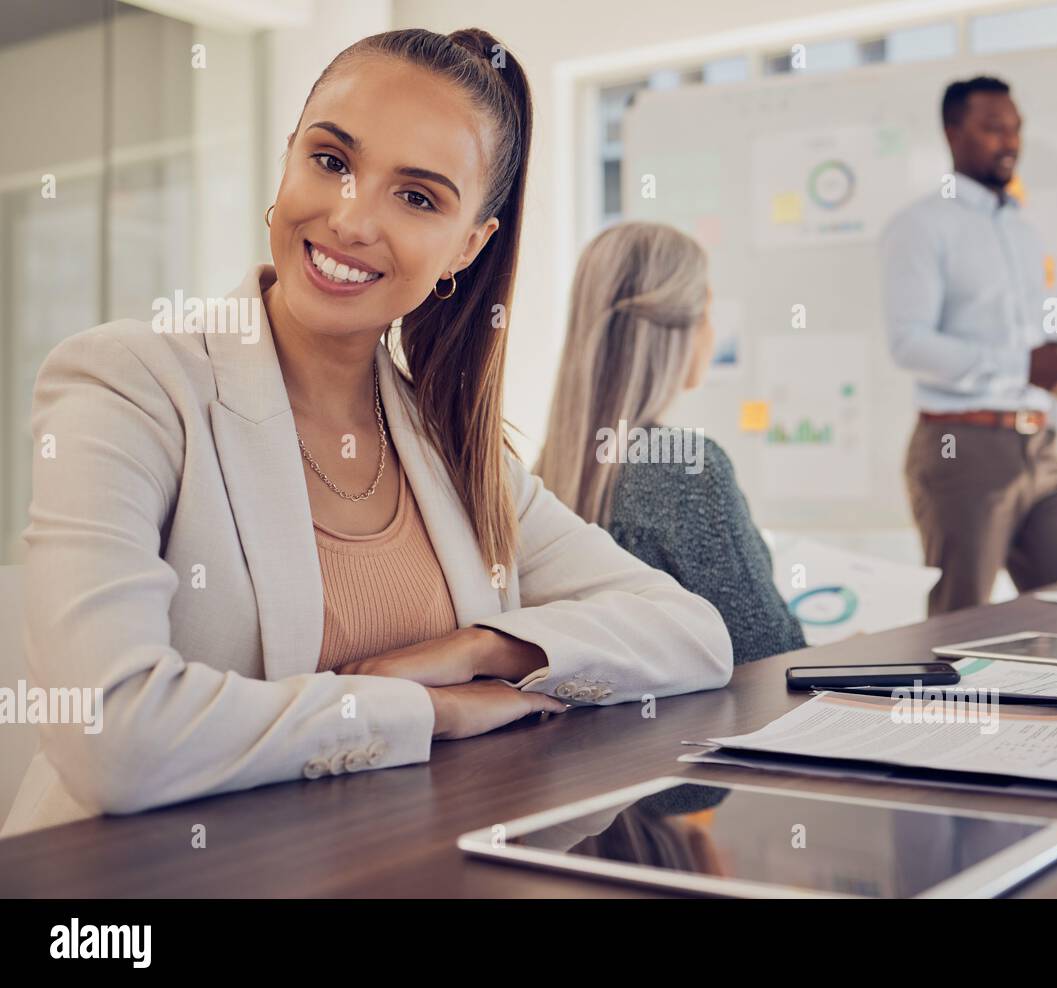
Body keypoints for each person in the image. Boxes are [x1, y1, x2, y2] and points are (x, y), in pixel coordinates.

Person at [2, 29, 732, 838]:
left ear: (468, 246)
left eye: (417, 197)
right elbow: (112, 737)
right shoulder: (128, 385)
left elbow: (694, 635)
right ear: (287, 160)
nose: (350, 218)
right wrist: (422, 711)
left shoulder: (449, 445)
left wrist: (481, 649)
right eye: (331, 160)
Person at [881, 75, 1057, 616]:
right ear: (952, 133)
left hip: (1040, 447)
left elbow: (1024, 349)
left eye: (1015, 128)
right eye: (993, 128)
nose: (1009, 141)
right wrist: (1023, 365)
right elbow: (908, 343)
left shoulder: (1021, 228)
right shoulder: (920, 227)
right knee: (956, 623)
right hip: (963, 447)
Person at [535, 222, 805, 664]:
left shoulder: (543, 471)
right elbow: (769, 653)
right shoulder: (686, 469)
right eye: (707, 312)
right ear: (678, 331)